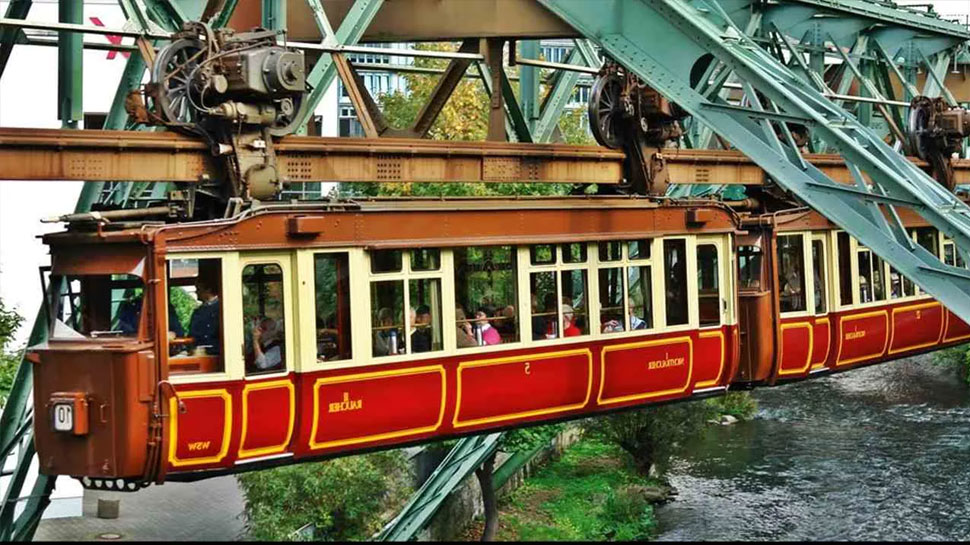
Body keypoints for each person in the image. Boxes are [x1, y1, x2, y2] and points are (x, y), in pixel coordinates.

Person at [188, 271, 221, 355]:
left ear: (208, 290)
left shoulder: (222, 309)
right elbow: (191, 335)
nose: (196, 292)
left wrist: (207, 350)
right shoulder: (198, 311)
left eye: (198, 289)